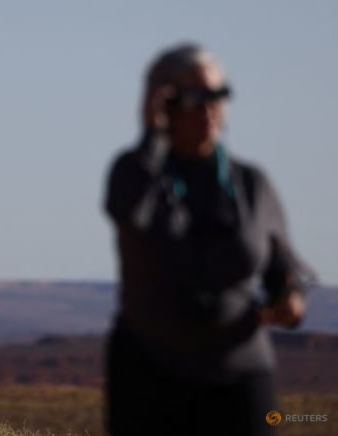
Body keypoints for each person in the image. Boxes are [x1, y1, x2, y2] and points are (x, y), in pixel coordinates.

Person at [103, 43, 315, 436]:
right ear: (162, 104)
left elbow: (280, 266)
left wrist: (289, 297)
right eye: (193, 97)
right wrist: (152, 135)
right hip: (150, 372)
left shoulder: (250, 184)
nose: (208, 109)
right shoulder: (134, 173)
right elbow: (130, 213)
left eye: (218, 96)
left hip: (239, 370)